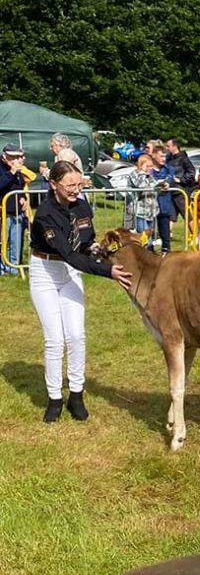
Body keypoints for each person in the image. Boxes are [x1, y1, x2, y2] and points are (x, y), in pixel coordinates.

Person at [28, 161, 132, 422]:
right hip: (46, 272)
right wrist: (108, 272)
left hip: (70, 273)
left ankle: (76, 394)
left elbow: (84, 244)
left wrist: (97, 250)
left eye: (79, 184)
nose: (76, 190)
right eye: (70, 185)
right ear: (53, 185)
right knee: (55, 339)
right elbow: (69, 255)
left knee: (76, 335)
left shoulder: (83, 206)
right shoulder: (45, 215)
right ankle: (54, 398)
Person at [0, 144, 30, 276]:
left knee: (16, 241)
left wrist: (23, 198)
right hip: (3, 212)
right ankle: (2, 268)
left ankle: (13, 268)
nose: (18, 160)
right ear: (5, 157)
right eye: (14, 157)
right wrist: (11, 172)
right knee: (3, 241)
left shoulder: (20, 170)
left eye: (19, 157)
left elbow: (20, 185)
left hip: (16, 212)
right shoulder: (3, 168)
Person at [145, 140, 175, 254]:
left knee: (165, 232)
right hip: (150, 205)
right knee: (148, 231)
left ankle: (166, 251)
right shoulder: (149, 169)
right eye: (161, 156)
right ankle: (149, 251)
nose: (164, 158)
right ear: (153, 155)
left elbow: (170, 178)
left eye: (165, 156)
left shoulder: (169, 169)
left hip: (164, 205)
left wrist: (167, 182)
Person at [125, 154, 161, 242]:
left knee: (149, 236)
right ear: (140, 165)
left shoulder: (149, 176)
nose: (150, 168)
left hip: (150, 210)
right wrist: (143, 173)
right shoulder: (134, 174)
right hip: (139, 211)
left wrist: (161, 185)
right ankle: (147, 253)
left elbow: (154, 187)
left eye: (151, 166)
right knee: (145, 238)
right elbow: (140, 186)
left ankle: (148, 253)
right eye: (147, 166)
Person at [166, 138, 196, 229]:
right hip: (171, 190)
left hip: (180, 191)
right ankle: (166, 236)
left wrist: (181, 179)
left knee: (187, 215)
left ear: (175, 146)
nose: (166, 148)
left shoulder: (183, 158)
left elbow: (191, 172)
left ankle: (196, 237)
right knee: (171, 215)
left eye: (168, 146)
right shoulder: (169, 158)